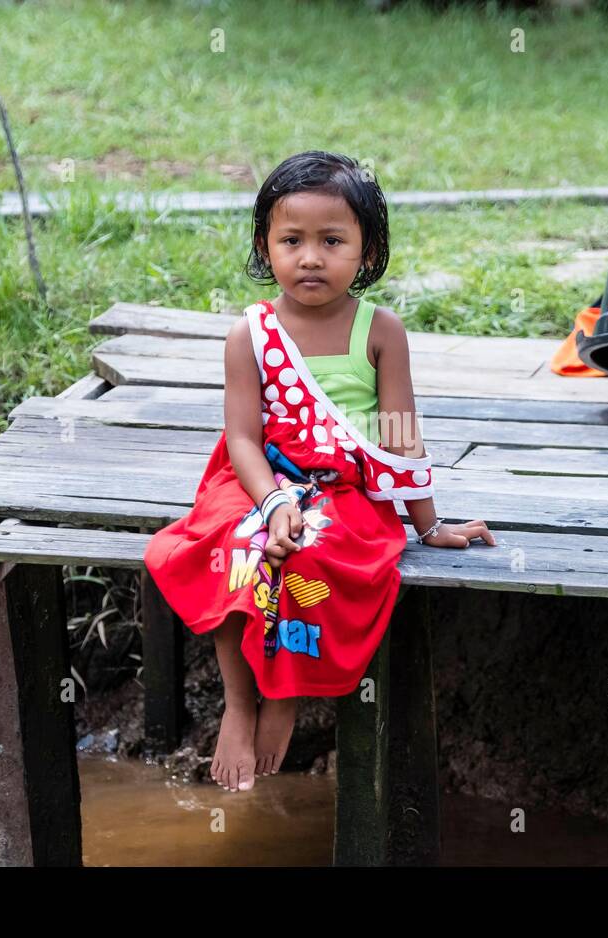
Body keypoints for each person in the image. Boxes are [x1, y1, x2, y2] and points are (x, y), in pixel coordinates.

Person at [145, 150, 496, 793]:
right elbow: (243, 439)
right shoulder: (248, 334)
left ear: (366, 252)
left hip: (345, 491)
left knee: (311, 556)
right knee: (236, 549)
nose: (311, 257)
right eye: (292, 240)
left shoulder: (379, 331)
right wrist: (274, 502)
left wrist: (429, 526)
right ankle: (240, 701)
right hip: (255, 479)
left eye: (332, 240)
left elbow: (399, 440)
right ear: (265, 245)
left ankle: (286, 694)